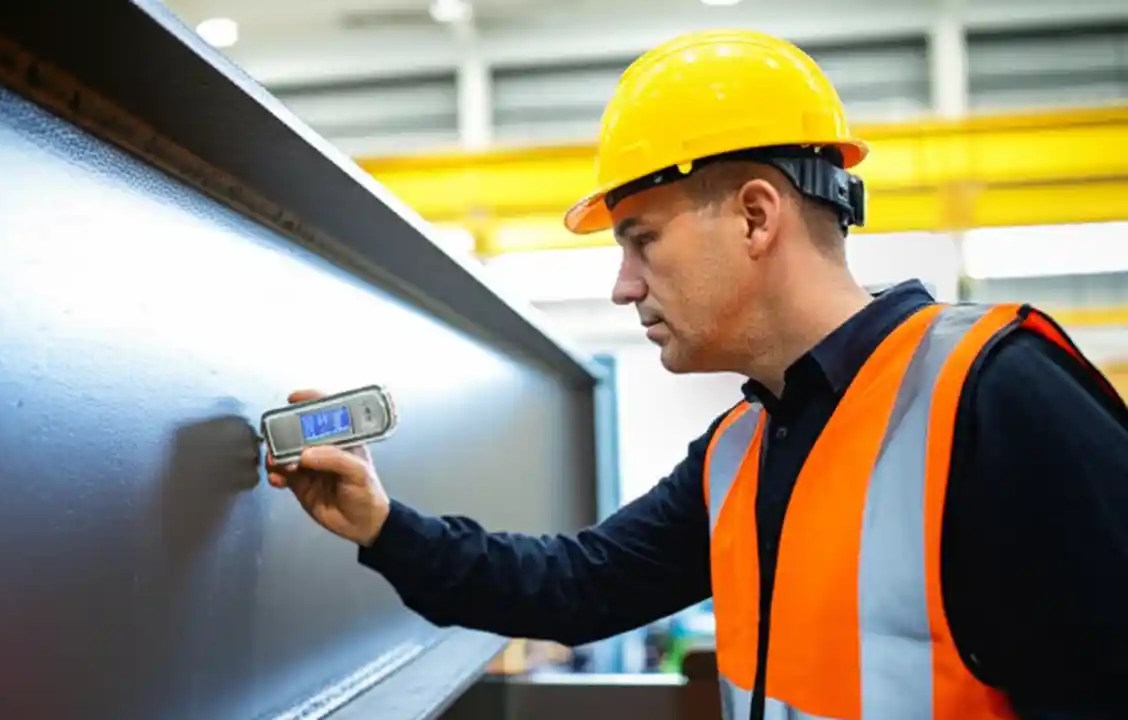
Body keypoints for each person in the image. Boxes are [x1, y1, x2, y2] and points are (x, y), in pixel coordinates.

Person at [265, 29, 1128, 720]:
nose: (623, 285)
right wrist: (382, 525)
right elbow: (574, 587)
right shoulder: (741, 450)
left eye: (643, 240)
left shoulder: (997, 397)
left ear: (756, 216)